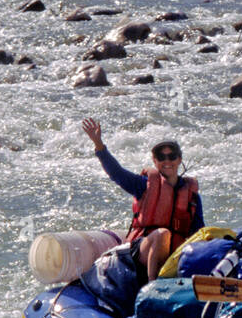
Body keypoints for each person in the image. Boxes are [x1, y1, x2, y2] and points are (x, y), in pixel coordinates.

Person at [82, 118, 204, 283]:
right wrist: (99, 145)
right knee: (162, 234)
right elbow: (117, 173)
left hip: (174, 255)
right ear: (155, 161)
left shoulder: (192, 196)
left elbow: (199, 231)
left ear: (179, 159)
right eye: (161, 157)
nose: (167, 161)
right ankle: (152, 283)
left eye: (172, 156)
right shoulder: (143, 185)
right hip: (142, 250)